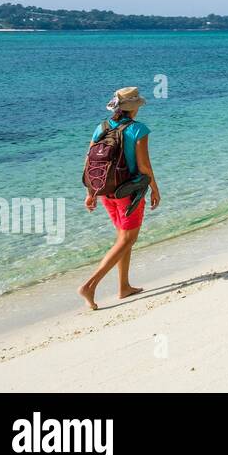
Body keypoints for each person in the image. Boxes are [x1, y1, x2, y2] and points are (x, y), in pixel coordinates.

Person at [77, 87, 161, 310]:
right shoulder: (138, 130)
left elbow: (89, 163)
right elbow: (144, 166)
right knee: (127, 239)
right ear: (134, 108)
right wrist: (154, 188)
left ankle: (124, 287)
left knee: (123, 238)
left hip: (106, 192)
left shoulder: (101, 127)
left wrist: (90, 193)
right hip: (129, 193)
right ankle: (90, 285)